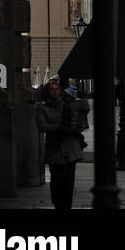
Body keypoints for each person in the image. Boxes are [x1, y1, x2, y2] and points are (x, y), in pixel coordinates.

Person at [37, 80, 89, 210]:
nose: (55, 92)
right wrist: (59, 127)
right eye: (51, 89)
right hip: (54, 149)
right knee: (56, 180)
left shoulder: (68, 105)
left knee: (68, 181)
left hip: (70, 148)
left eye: (57, 89)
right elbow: (42, 126)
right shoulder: (43, 108)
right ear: (47, 93)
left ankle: (66, 207)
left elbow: (80, 118)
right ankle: (58, 204)